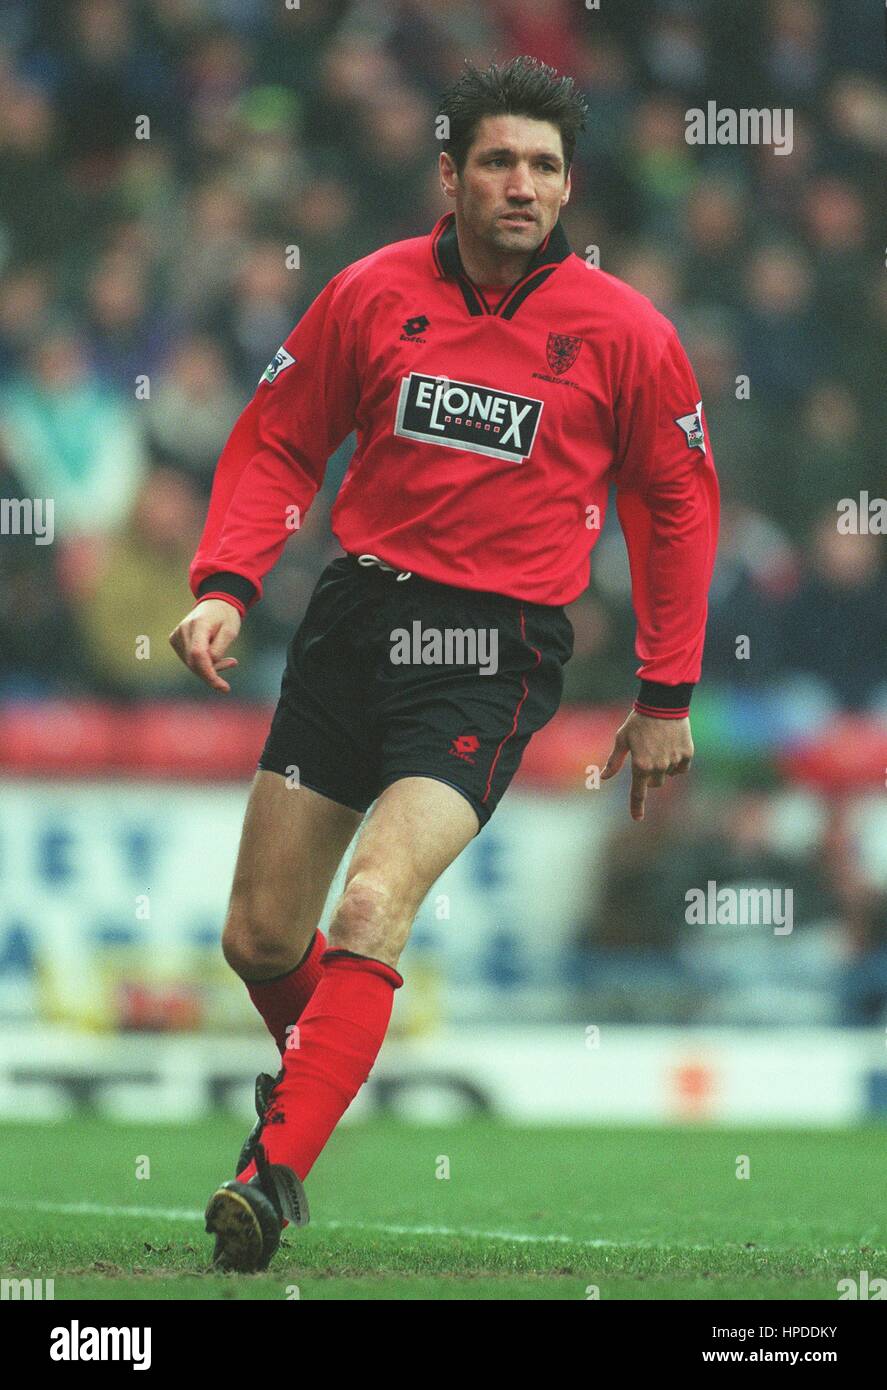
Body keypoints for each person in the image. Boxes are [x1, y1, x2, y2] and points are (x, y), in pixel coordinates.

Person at [169, 56, 719, 1271]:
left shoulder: (624, 331)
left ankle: (270, 1176)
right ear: (450, 173)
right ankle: (314, 1082)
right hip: (352, 621)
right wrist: (222, 583)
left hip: (491, 649)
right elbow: (276, 442)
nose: (520, 186)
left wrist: (663, 691)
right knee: (260, 939)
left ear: (567, 183)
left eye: (543, 165)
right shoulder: (370, 293)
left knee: (372, 906)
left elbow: (673, 507)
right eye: (497, 161)